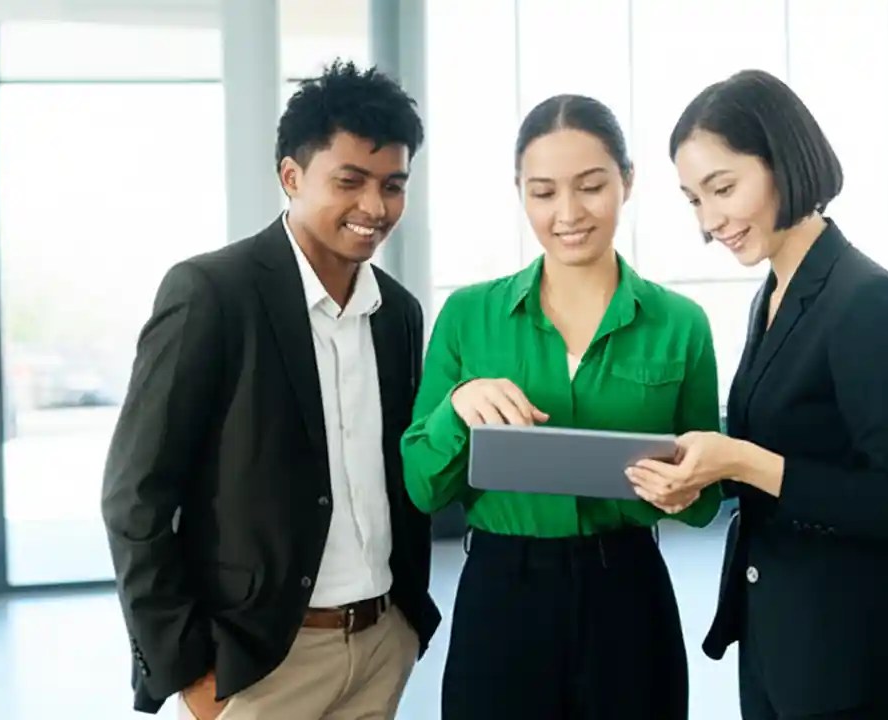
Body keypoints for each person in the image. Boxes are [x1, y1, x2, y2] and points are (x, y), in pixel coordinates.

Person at [101, 61, 440, 720]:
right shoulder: (211, 294)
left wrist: (404, 628)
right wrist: (186, 669)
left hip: (379, 647)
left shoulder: (397, 313)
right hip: (258, 664)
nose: (374, 207)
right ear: (291, 177)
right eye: (350, 181)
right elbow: (134, 496)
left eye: (393, 185)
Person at [627, 69, 888, 720]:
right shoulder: (775, 293)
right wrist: (705, 475)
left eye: (723, 188)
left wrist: (744, 463)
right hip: (780, 638)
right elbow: (795, 455)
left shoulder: (864, 299)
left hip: (849, 658)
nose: (711, 221)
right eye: (693, 199)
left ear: (783, 161)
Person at [400, 94, 721, 720]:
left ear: (626, 182)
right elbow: (420, 486)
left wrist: (686, 487)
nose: (568, 213)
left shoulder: (681, 325)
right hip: (502, 592)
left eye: (591, 186)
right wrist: (457, 408)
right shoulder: (469, 315)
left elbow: (707, 503)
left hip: (628, 591)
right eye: (543, 192)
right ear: (520, 192)